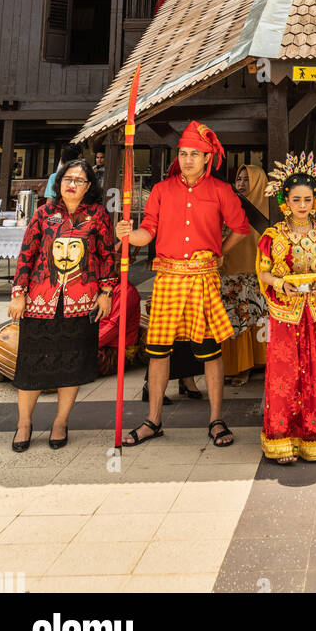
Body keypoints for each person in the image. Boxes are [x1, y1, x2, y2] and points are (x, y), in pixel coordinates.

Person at [115, 120, 251, 448]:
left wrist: (219, 254)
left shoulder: (221, 191)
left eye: (195, 154)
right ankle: (153, 421)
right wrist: (128, 236)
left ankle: (216, 419)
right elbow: (148, 230)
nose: (188, 159)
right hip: (168, 279)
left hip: (203, 278)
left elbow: (241, 227)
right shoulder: (162, 190)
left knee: (210, 351)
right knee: (159, 352)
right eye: (183, 153)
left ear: (208, 158)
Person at [8, 157, 115, 450]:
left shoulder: (98, 215)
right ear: (59, 183)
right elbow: (26, 254)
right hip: (40, 299)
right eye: (67, 179)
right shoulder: (43, 214)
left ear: (88, 186)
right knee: (31, 363)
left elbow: (107, 255)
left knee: (72, 363)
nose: (71, 185)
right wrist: (19, 293)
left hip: (81, 301)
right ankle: (24, 423)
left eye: (79, 180)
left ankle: (60, 422)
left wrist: (106, 292)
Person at [256, 152, 316, 462]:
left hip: (315, 311)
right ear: (285, 201)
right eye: (296, 199)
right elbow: (264, 273)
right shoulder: (273, 236)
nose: (302, 205)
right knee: (284, 374)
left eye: (308, 199)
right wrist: (282, 284)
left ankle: (315, 438)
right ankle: (282, 440)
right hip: (284, 312)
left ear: (315, 200)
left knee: (315, 373)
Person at [220, 165, 269, 385]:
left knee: (255, 319)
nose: (240, 184)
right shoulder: (231, 205)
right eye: (238, 179)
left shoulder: (270, 209)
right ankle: (238, 366)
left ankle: (254, 365)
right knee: (235, 320)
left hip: (257, 274)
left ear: (259, 182)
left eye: (247, 179)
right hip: (232, 273)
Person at [96, 277, 142, 376]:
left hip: (116, 349)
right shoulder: (97, 286)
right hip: (99, 342)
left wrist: (88, 344)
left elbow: (114, 326)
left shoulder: (126, 291)